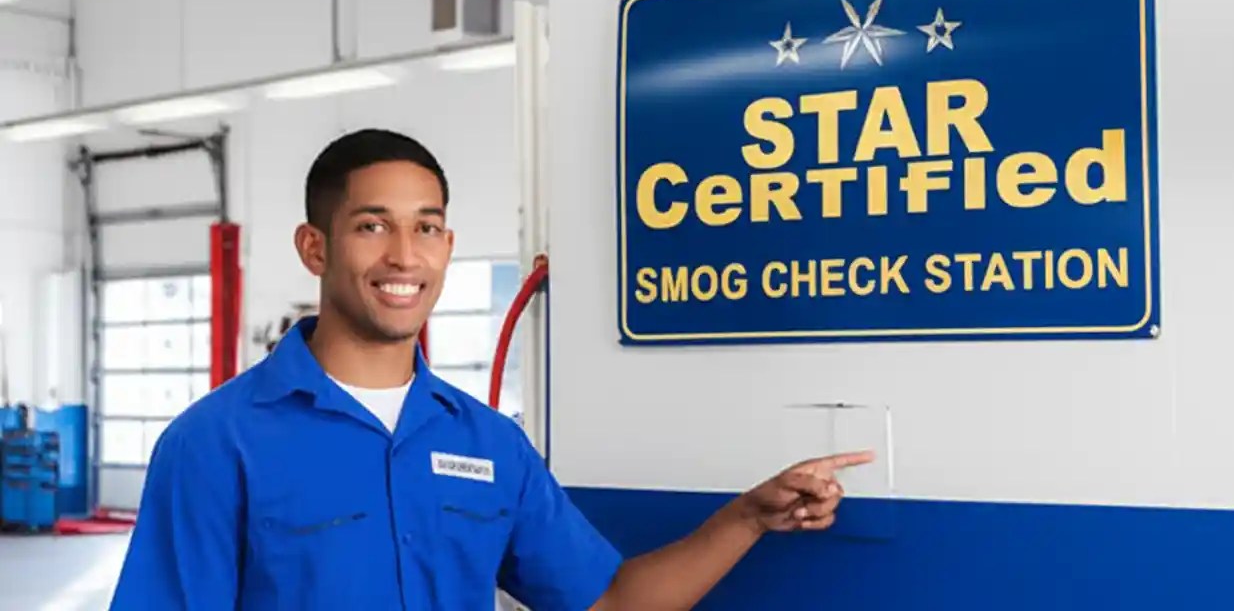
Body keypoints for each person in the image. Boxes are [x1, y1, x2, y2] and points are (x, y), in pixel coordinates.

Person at [109, 128, 875, 610]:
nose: (404, 256)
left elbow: (607, 601)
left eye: (427, 228)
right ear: (316, 247)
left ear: (447, 244)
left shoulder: (486, 445)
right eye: (371, 226)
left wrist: (745, 518)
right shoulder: (218, 443)